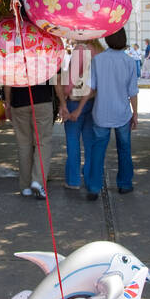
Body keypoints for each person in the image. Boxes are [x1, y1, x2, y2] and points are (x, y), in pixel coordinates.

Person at [70, 27, 138, 200]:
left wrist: (78, 108)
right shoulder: (130, 62)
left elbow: (90, 88)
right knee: (124, 149)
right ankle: (125, 184)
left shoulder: (98, 60)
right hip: (122, 114)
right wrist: (135, 114)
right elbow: (133, 92)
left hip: (101, 113)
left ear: (107, 39)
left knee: (98, 150)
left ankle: (93, 188)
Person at [57, 40, 99, 189]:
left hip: (75, 100)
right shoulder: (99, 49)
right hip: (93, 100)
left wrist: (63, 99)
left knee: (73, 142)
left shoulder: (80, 49)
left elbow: (70, 82)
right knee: (90, 143)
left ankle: (73, 180)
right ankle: (90, 177)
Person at [4, 80, 55, 197]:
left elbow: (7, 82)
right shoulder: (46, 60)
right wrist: (62, 102)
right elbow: (56, 79)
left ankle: (25, 186)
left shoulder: (13, 60)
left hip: (19, 102)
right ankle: (38, 181)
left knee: (24, 144)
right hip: (42, 101)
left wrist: (8, 103)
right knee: (42, 143)